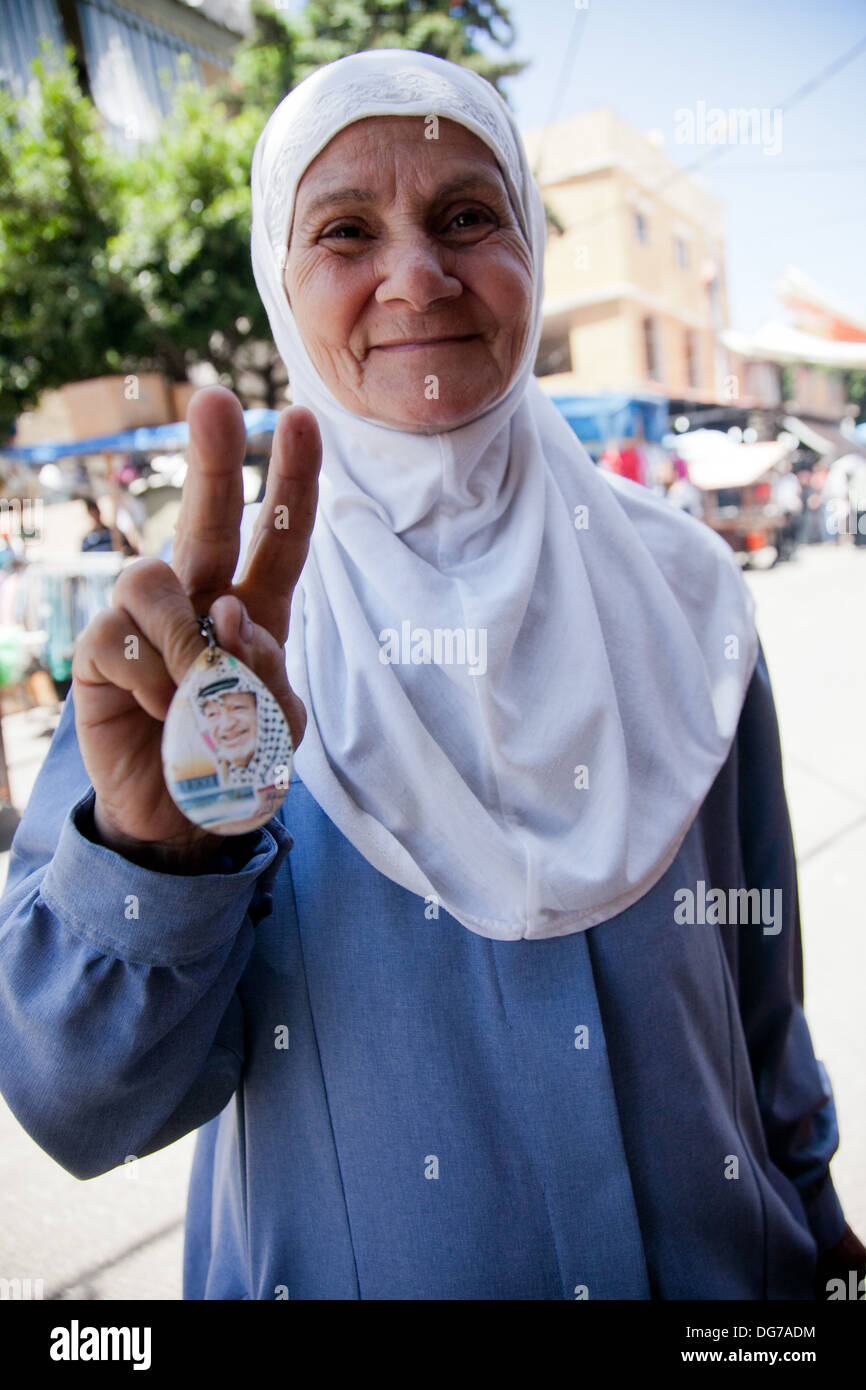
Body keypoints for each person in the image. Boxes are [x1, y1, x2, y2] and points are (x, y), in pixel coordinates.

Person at [0, 50, 862, 1301]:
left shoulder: (682, 593)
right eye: (343, 230)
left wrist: (816, 1206)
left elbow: (752, 971)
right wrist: (154, 856)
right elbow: (83, 1109)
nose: (416, 273)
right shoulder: (204, 645)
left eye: (467, 214)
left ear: (529, 254)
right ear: (279, 288)